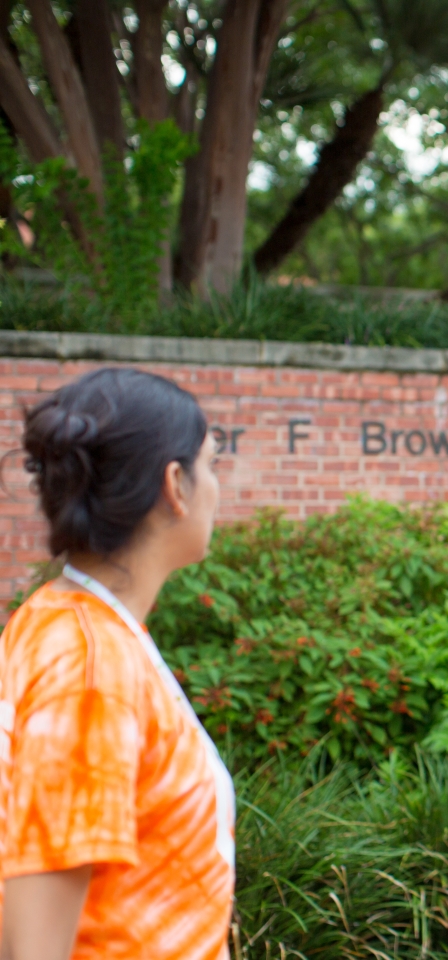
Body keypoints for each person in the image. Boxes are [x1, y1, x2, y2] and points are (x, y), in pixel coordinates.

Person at [0, 368, 233, 960]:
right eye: (212, 463)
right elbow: (35, 946)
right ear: (175, 485)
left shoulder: (66, 621)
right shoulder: (89, 665)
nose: (217, 487)